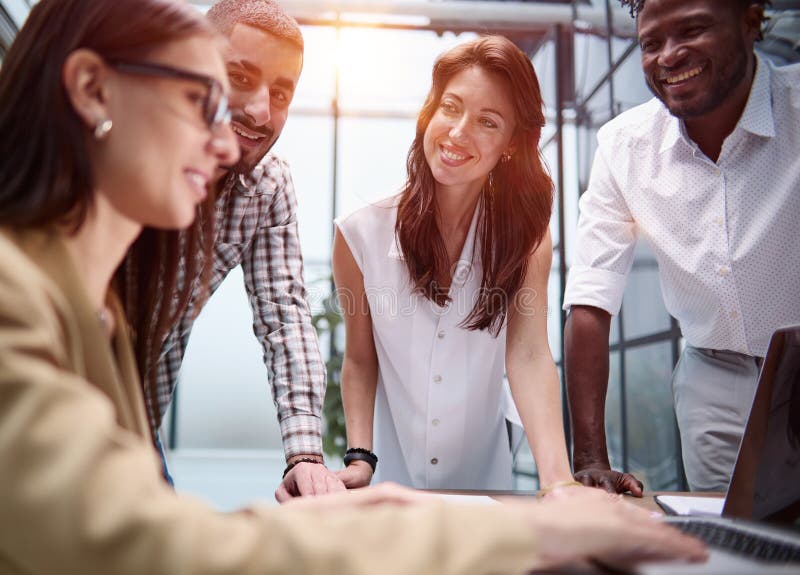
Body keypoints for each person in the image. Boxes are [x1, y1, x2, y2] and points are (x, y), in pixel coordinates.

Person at [0, 1, 710, 572]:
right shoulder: (17, 302)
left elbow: (285, 323)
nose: (231, 139)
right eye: (201, 98)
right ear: (93, 90)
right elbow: (162, 549)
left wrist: (315, 461)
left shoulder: (96, 309)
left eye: (277, 93)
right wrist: (521, 533)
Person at [563, 0, 800, 493]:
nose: (669, 56)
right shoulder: (624, 147)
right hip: (711, 379)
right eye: (651, 43)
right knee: (734, 551)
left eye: (692, 29)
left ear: (750, 19)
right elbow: (590, 299)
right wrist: (589, 459)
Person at [333, 36, 577, 492]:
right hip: (391, 486)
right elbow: (361, 360)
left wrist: (559, 480)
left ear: (510, 144)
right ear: (430, 111)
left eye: (488, 121)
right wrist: (360, 458)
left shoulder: (526, 239)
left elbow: (528, 354)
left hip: (489, 485)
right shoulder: (358, 234)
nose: (459, 132)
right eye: (451, 107)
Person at [134, 0, 344, 500]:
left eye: (281, 93)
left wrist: (306, 455)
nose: (259, 112)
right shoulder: (126, 150)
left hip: (136, 413)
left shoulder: (267, 185)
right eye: (240, 77)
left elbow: (285, 317)